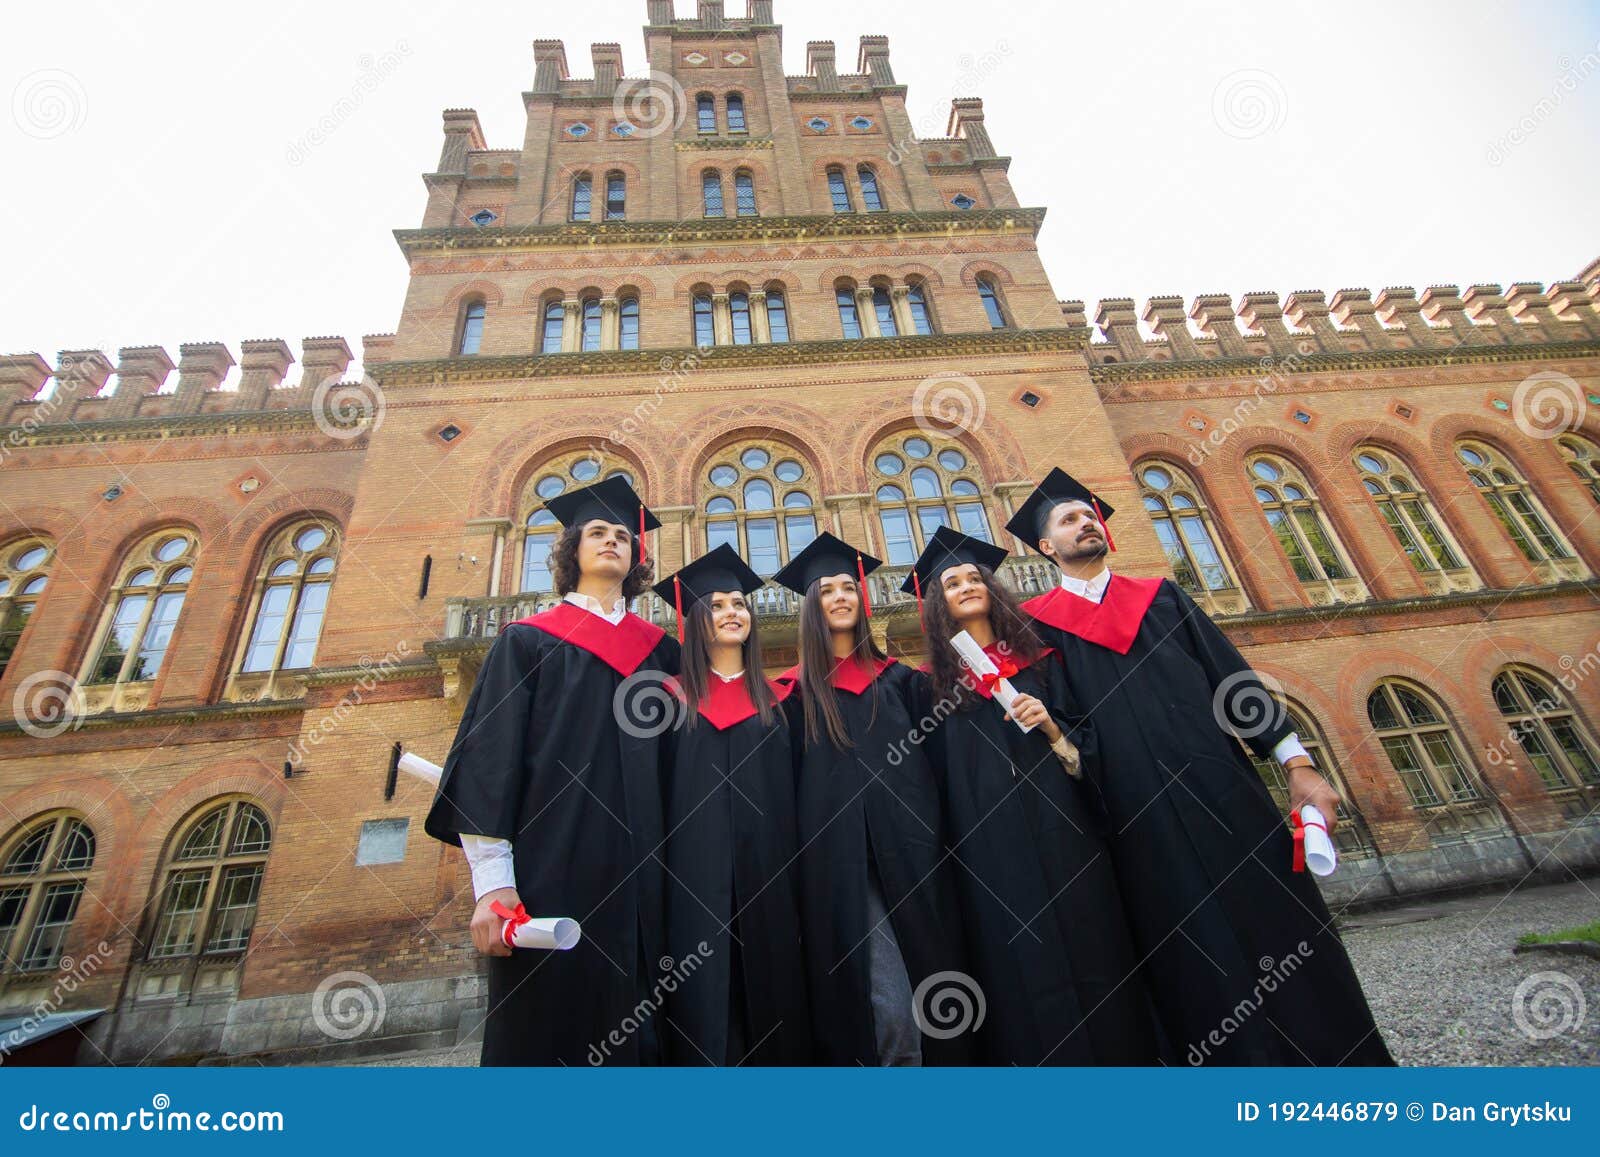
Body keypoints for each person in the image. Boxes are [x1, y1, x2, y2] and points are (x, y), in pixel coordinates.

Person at [1006, 467, 1394, 1066]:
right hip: (1134, 818)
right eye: (1067, 520)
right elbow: (1058, 730)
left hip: (1224, 793)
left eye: (1090, 515)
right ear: (1046, 547)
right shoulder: (1037, 625)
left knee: (1281, 929)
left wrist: (1296, 762)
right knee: (1185, 953)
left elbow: (1233, 682)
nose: (1085, 522)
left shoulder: (1161, 598)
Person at [423, 476, 681, 1066]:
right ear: (572, 551)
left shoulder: (660, 654)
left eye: (623, 535)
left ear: (636, 556)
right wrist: (494, 887)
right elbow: (489, 767)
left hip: (651, 874)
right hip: (552, 869)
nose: (612, 541)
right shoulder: (526, 643)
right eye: (597, 532)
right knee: (552, 1029)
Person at [906, 526, 1160, 1065]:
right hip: (990, 856)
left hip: (1067, 834)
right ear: (937, 603)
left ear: (994, 589)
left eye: (975, 577)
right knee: (1019, 969)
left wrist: (1051, 728)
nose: (966, 585)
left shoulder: (1044, 662)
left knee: (1097, 949)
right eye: (952, 582)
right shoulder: (924, 689)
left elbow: (1093, 750)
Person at [770, 532, 971, 1065]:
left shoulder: (903, 682)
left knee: (944, 996)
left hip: (920, 860)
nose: (840, 597)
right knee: (891, 1013)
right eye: (826, 591)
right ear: (811, 608)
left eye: (847, 587)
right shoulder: (791, 698)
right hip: (842, 873)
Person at [652, 544, 812, 1065]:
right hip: (690, 878)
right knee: (701, 1002)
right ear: (695, 621)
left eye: (739, 604)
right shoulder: (666, 700)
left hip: (771, 873)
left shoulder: (784, 700)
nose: (731, 613)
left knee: (772, 991)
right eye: (716, 606)